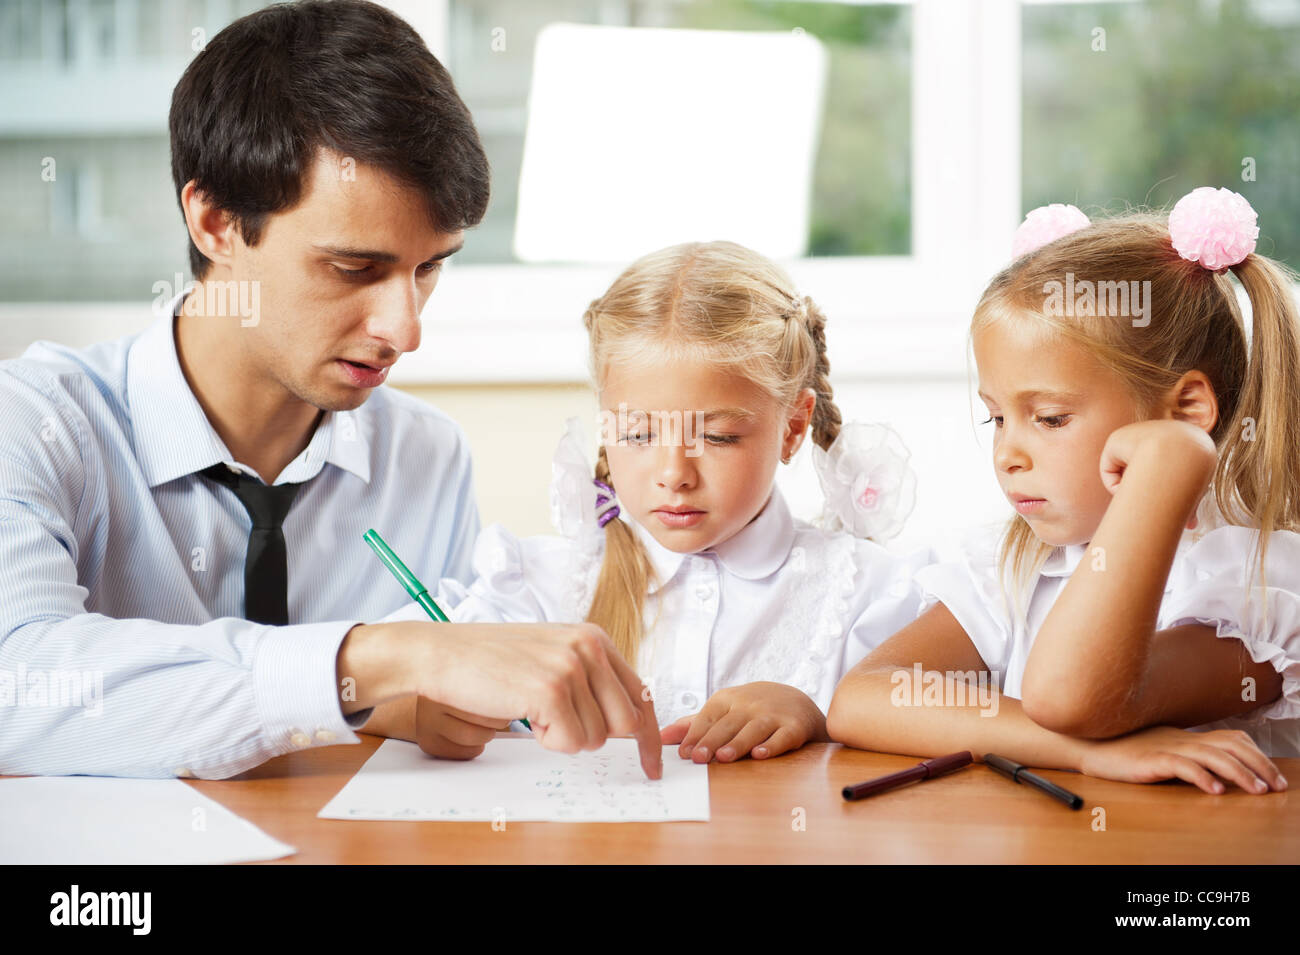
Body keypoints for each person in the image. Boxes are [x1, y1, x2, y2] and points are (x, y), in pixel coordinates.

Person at [0, 0, 660, 780]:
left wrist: (421, 707)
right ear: (215, 222)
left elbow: (409, 720)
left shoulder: (425, 455)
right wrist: (375, 659)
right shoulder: (35, 423)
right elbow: (22, 686)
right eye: (356, 268)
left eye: (429, 268)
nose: (404, 329)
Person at [385, 240, 931, 763]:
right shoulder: (538, 589)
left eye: (717, 438)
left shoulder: (870, 595)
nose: (674, 475)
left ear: (792, 427)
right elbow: (372, 684)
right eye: (640, 435)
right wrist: (418, 711)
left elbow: (955, 727)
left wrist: (820, 717)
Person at [829, 189, 1298, 794]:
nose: (1008, 454)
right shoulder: (1021, 563)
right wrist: (1085, 755)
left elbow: (1072, 698)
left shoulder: (1254, 585)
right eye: (996, 418)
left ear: (1185, 411)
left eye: (1049, 418)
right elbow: (864, 698)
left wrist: (1167, 469)